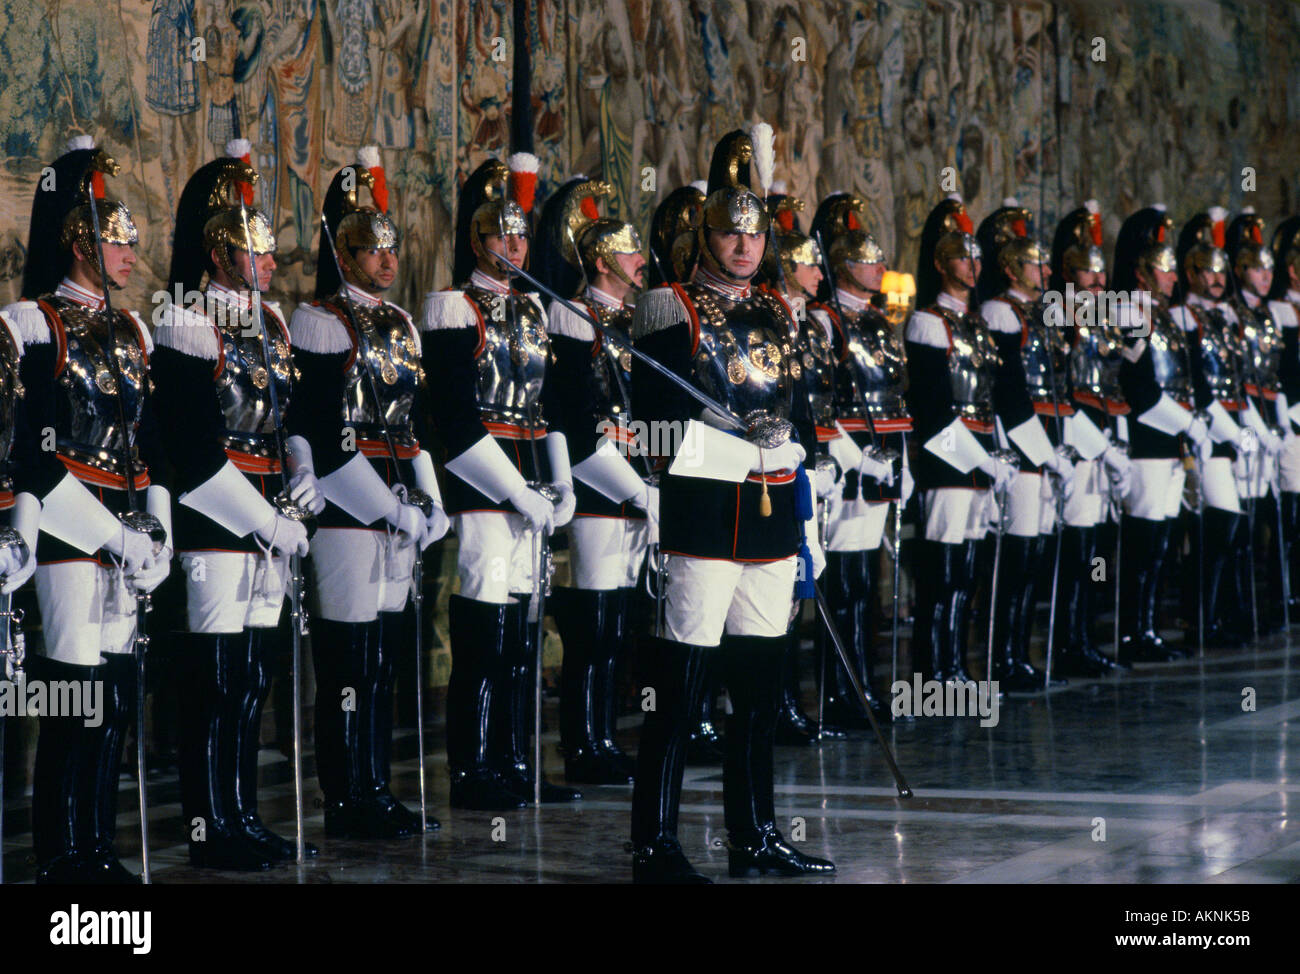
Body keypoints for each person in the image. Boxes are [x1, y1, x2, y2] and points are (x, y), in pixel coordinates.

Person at [629, 129, 833, 883]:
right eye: (728, 233)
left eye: (753, 234)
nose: (743, 246)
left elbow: (798, 419)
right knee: (679, 694)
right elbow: (651, 431)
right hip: (706, 524)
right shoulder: (666, 307)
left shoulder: (782, 314)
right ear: (703, 237)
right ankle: (655, 842)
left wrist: (800, 498)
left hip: (774, 523)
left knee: (758, 693)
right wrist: (746, 454)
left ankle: (756, 834)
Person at [6, 137, 171, 883]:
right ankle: (60, 851)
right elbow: (36, 456)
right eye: (117, 241)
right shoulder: (36, 324)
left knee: (113, 698)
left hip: (128, 530)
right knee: (70, 696)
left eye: (133, 242)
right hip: (68, 531)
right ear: (80, 244)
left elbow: (154, 444)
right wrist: (110, 535)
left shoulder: (135, 333)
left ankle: (99, 845)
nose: (132, 255)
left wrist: (155, 530)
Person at [155, 140, 321, 868]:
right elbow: (191, 455)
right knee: (217, 678)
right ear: (221, 255)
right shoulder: (188, 324)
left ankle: (245, 814)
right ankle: (209, 823)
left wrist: (304, 467)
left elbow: (297, 418)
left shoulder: (276, 326)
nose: (271, 263)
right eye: (256, 251)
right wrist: (268, 523)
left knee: (254, 674)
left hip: (273, 517)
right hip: (220, 524)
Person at [288, 146, 449, 837]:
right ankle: (345, 793)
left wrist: (428, 499)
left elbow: (413, 428)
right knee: (349, 661)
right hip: (351, 513)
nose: (386, 260)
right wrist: (391, 509)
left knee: (382, 659)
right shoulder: (322, 321)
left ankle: (377, 785)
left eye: (391, 247)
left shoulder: (401, 326)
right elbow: (325, 439)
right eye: (370, 248)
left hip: (397, 511)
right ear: (341, 249)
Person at [421, 155, 580, 810]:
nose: (513, 246)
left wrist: (561, 485)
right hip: (486, 489)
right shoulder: (455, 308)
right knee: (484, 637)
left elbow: (549, 411)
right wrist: (516, 491)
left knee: (521, 638)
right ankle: (472, 766)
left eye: (520, 235)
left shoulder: (535, 313)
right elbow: (455, 423)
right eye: (500, 236)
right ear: (477, 241)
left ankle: (516, 759)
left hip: (532, 490)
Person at [533, 176, 656, 784]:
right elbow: (577, 420)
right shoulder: (576, 318)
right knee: (595, 622)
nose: (642, 263)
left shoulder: (632, 321)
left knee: (620, 622)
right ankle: (583, 743)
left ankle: (604, 735)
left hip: (637, 482)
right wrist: (634, 488)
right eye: (632, 254)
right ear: (604, 260)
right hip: (599, 484)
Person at [807, 192, 913, 725]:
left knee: (867, 584)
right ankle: (838, 691)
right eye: (869, 261)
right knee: (844, 584)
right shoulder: (827, 321)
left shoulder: (879, 320)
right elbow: (822, 405)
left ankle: (863, 684)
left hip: (884, 460)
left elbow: (896, 400)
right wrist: (859, 462)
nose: (879, 269)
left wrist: (902, 464)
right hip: (848, 466)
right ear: (843, 266)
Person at [904, 195, 1015, 688]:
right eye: (960, 257)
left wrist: (1001, 452)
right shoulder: (929, 322)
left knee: (967, 571)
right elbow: (933, 412)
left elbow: (993, 398)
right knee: (943, 571)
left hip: (981, 454)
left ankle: (956, 664)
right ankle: (932, 668)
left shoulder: (979, 324)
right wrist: (983, 461)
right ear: (939, 262)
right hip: (947, 459)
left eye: (976, 257)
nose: (971, 266)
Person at [977, 200, 1077, 691]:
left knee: (1033, 554)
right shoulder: (999, 311)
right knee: (1015, 557)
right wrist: (1041, 452)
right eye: (1036, 263)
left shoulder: (1038, 312)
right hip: (1017, 445)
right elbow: (1010, 394)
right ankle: (1002, 656)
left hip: (1044, 441)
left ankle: (1018, 651)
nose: (1045, 270)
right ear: (1013, 267)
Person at [1113, 205, 1209, 662]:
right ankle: (1132, 631)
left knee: (1160, 544)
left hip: (1171, 441)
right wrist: (1187, 423)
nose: (1173, 279)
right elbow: (1139, 388)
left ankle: (1148, 627)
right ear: (1142, 271)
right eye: (1165, 270)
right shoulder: (1130, 309)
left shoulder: (1163, 313)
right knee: (1144, 541)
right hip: (1148, 439)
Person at [1171, 208, 1270, 649]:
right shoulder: (1183, 318)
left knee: (1233, 527)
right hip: (1206, 433)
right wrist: (1234, 432)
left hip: (1231, 428)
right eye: (1206, 273)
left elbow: (1237, 381)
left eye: (1219, 273)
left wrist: (1254, 430)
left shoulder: (1226, 318)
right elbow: (1198, 384)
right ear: (1189, 273)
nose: (1215, 280)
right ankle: (1200, 617)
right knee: (1221, 521)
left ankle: (1222, 612)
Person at [1049, 200, 1133, 674]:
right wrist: (1097, 446)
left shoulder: (1105, 319)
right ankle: (1067, 645)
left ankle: (1084, 638)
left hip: (1104, 442)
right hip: (1077, 442)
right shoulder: (1060, 317)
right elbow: (1065, 394)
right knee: (1078, 550)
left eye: (1101, 273)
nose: (1098, 281)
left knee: (1096, 549)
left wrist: (1118, 445)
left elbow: (1116, 385)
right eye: (1087, 273)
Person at [1226, 208, 1285, 632]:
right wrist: (1260, 432)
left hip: (1267, 416)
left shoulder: (1267, 314)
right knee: (1242, 520)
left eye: (1268, 270)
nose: (1265, 277)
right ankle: (1236, 608)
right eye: (1256, 269)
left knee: (1265, 515)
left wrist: (1280, 424)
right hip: (1244, 420)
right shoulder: (1233, 314)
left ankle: (1261, 606)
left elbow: (1274, 375)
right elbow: (1237, 379)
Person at [1266, 215, 1300, 615]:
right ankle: (1282, 588)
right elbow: (1274, 370)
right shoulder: (1277, 311)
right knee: (1291, 509)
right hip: (1291, 419)